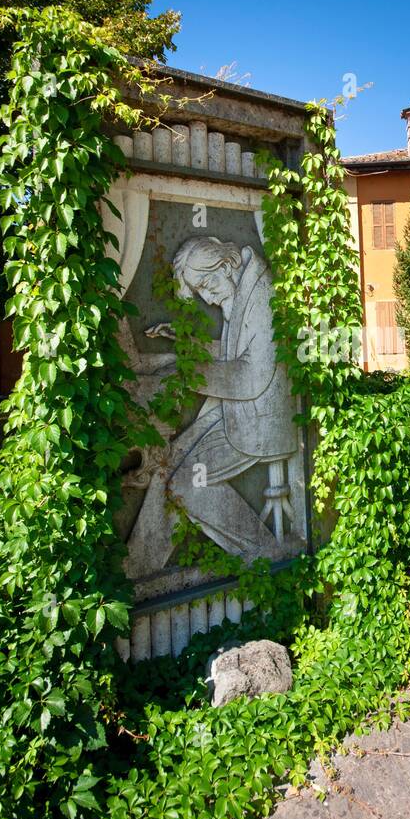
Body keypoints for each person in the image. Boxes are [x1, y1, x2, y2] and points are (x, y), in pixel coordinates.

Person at [124, 236, 298, 580]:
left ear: (226, 264)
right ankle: (141, 563)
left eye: (206, 284)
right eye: (199, 289)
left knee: (187, 484)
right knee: (171, 461)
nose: (207, 296)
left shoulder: (261, 296)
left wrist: (189, 374)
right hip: (242, 414)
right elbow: (238, 350)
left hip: (260, 423)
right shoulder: (242, 286)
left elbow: (250, 375)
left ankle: (261, 552)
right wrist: (189, 343)